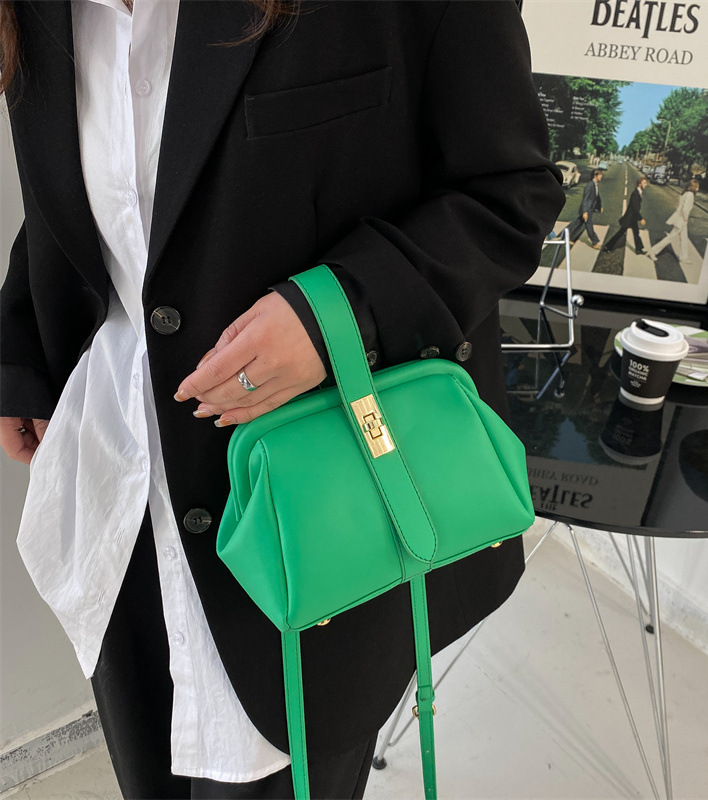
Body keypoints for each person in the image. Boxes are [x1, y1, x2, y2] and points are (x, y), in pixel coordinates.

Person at [0, 1, 564, 799]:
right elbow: (100, 193)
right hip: (115, 495)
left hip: (318, 527)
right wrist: (20, 348)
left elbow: (508, 193)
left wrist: (343, 313)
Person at [646, 179, 700, 265]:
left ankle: (684, 257)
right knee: (670, 238)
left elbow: (677, 205)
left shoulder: (685, 193)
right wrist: (685, 218)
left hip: (680, 219)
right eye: (697, 186)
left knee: (684, 238)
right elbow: (685, 209)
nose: (698, 188)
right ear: (694, 187)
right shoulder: (690, 195)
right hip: (682, 220)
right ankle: (653, 251)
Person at [602, 176, 648, 255]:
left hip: (633, 218)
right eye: (644, 183)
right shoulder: (635, 194)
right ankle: (607, 247)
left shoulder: (639, 192)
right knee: (620, 233)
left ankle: (639, 249)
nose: (646, 185)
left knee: (636, 233)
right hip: (629, 218)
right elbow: (635, 208)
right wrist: (641, 219)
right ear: (639, 184)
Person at [567, 168, 604, 249]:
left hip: (589, 208)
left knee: (578, 223)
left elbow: (597, 197)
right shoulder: (590, 185)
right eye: (600, 174)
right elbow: (586, 199)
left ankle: (568, 237)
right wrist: (585, 212)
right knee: (589, 225)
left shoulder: (595, 184)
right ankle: (595, 242)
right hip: (587, 209)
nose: (601, 176)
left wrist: (599, 206)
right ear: (595, 175)